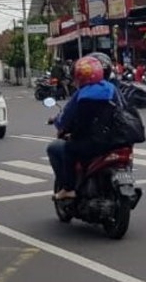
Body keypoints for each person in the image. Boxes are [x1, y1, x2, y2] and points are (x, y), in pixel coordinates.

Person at [46, 55, 117, 201]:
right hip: (116, 140)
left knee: (60, 148)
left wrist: (58, 124)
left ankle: (68, 188)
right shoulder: (112, 89)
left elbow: (65, 119)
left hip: (91, 144)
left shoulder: (81, 94)